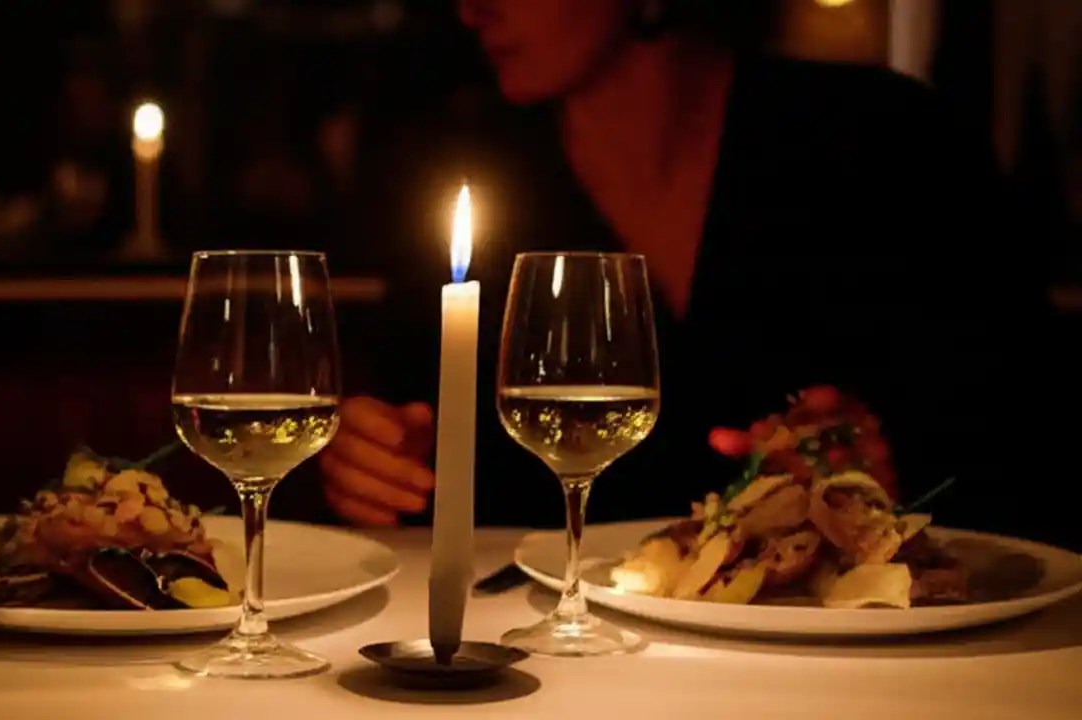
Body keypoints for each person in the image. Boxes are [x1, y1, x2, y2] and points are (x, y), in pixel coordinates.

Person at [318, 1, 1055, 541]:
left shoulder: (883, 142)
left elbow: (1025, 442)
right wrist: (370, 462)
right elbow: (423, 453)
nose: (471, 8)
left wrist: (887, 470)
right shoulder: (466, 174)